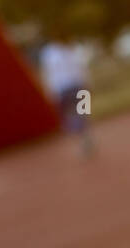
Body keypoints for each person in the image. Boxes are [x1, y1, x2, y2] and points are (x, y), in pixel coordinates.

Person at [39, 27, 95, 158]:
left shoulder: (48, 53)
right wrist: (88, 83)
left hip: (64, 89)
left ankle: (83, 140)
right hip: (78, 86)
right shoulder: (72, 48)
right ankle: (85, 138)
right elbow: (82, 68)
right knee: (82, 114)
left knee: (70, 117)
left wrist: (50, 91)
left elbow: (49, 74)